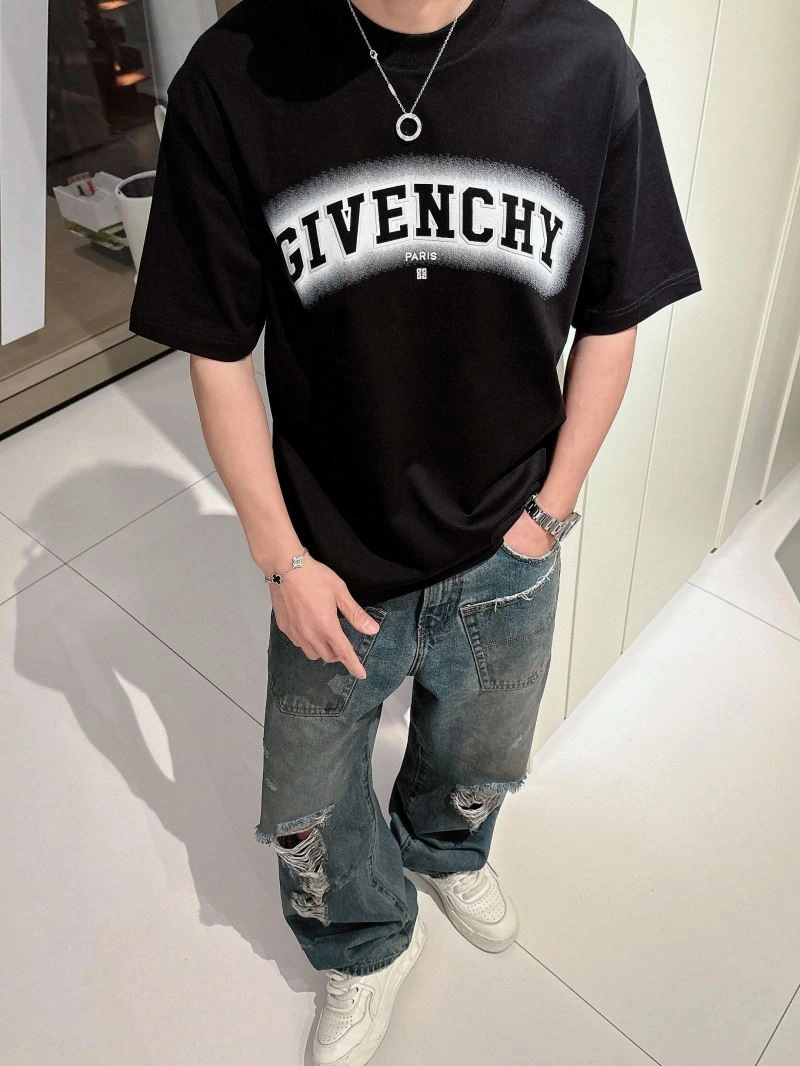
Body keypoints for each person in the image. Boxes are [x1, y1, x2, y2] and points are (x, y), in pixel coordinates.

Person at [128, 0, 702, 1061]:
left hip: (509, 536)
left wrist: (550, 511)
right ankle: (363, 943)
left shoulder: (582, 59)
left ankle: (443, 851)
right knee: (304, 798)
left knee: (479, 750)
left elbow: (615, 311)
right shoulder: (235, 70)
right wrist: (279, 558)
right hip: (329, 552)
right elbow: (215, 347)